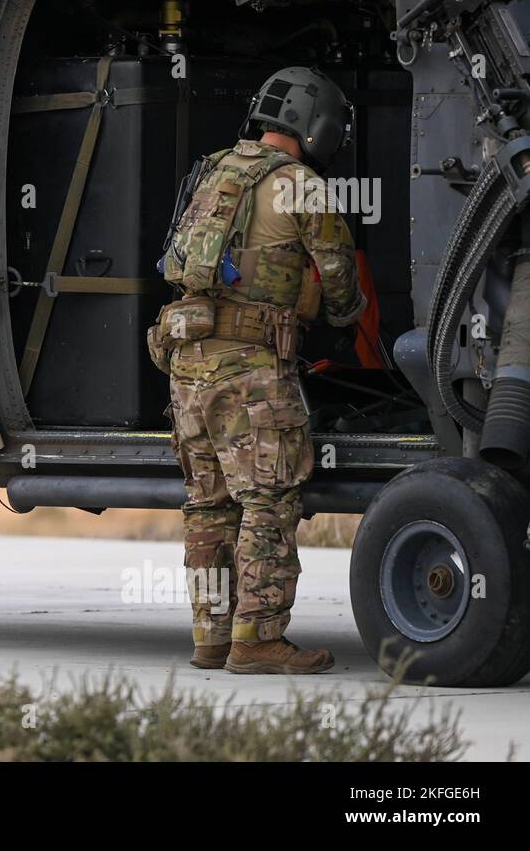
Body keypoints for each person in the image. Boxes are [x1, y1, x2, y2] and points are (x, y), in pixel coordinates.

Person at [149, 66, 366, 675]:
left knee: (208, 506)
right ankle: (257, 639)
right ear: (318, 125)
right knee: (267, 499)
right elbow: (342, 283)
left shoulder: (214, 169)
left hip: (187, 365)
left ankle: (211, 636)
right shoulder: (301, 186)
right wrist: (346, 313)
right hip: (251, 374)